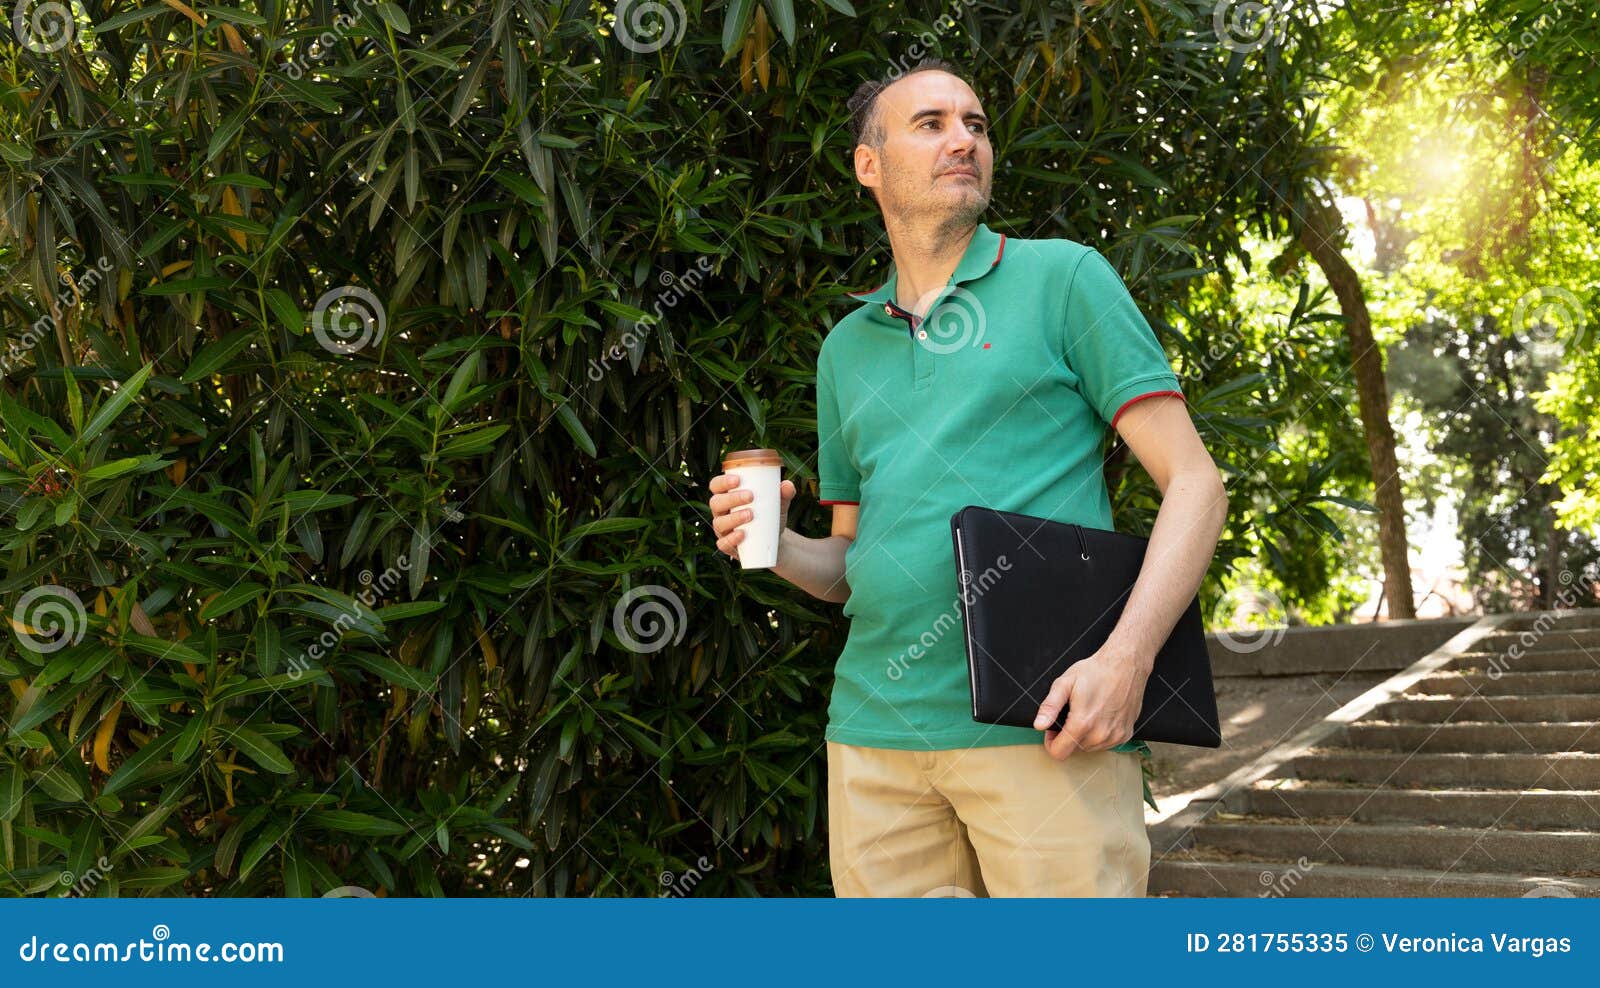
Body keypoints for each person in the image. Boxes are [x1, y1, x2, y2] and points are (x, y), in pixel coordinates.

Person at [705, 58, 1227, 897]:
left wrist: (1126, 663)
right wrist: (772, 549)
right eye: (932, 124)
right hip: (874, 735)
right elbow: (848, 568)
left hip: (1046, 726)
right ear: (868, 165)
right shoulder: (846, 349)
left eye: (975, 125)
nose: (963, 141)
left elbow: (1198, 485)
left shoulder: (1065, 280)